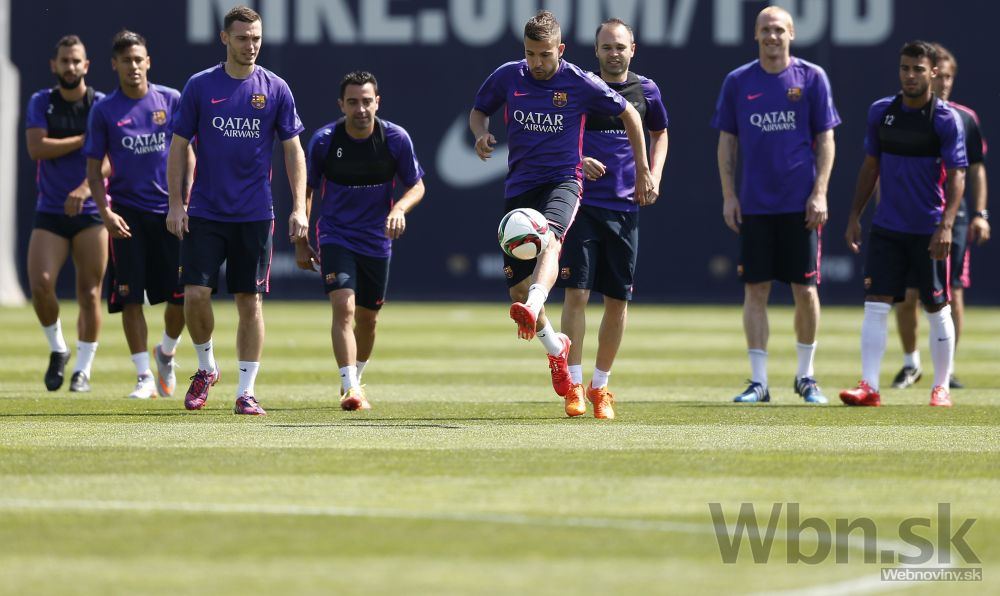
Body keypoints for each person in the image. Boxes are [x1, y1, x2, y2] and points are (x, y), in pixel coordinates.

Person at [469, 10, 655, 414]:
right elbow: (479, 109)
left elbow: (630, 113)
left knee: (550, 238)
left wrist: (644, 169)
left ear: (561, 50)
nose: (537, 63)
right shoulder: (509, 75)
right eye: (531, 54)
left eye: (545, 55)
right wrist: (481, 134)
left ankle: (536, 308)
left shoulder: (579, 81)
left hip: (564, 182)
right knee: (515, 288)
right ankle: (556, 347)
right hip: (520, 187)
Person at [166, 5, 308, 416]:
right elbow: (179, 146)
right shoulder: (200, 86)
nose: (251, 46)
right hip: (206, 211)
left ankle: (246, 391)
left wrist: (299, 206)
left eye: (257, 38)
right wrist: (177, 203)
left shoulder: (276, 88)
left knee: (250, 302)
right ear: (225, 38)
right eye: (243, 38)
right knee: (194, 295)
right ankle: (207, 367)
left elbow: (293, 148)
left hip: (254, 213)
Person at [710, 6, 840, 404]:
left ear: (792, 34)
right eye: (765, 29)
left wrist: (820, 192)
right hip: (756, 204)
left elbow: (827, 139)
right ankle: (759, 381)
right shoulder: (738, 81)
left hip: (800, 205)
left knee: (805, 288)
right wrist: (729, 195)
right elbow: (727, 142)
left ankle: (806, 377)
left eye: (779, 30)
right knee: (757, 289)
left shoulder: (812, 78)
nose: (772, 36)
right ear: (756, 35)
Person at [841, 40, 967, 408]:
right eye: (904, 68)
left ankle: (940, 387)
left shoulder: (945, 120)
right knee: (876, 302)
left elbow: (958, 176)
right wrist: (854, 216)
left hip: (928, 230)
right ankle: (869, 386)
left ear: (933, 73)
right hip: (887, 227)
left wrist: (945, 226)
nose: (910, 75)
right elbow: (870, 167)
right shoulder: (881, 112)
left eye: (917, 69)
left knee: (936, 305)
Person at [557, 19, 668, 420]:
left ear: (632, 49)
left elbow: (661, 132)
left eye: (620, 46)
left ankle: (600, 385)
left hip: (625, 209)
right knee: (577, 294)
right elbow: (559, 133)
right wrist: (576, 160)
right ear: (596, 50)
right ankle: (573, 385)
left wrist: (652, 173)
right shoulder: (582, 88)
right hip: (582, 204)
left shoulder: (647, 90)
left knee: (618, 301)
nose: (613, 53)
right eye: (606, 47)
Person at [295, 71, 425, 411]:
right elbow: (306, 190)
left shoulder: (395, 139)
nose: (361, 109)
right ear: (341, 104)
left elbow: (417, 185)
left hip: (377, 241)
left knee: (368, 319)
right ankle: (350, 387)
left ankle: (358, 379)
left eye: (367, 101)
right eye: (352, 102)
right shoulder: (325, 141)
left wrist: (399, 208)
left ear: (377, 102)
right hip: (336, 235)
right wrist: (301, 239)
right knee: (345, 307)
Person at [84, 30, 193, 399]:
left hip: (169, 212)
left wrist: (184, 201)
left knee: (181, 297)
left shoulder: (171, 100)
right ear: (114, 64)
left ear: (148, 61)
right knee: (130, 298)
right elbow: (93, 169)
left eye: (138, 59)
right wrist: (106, 213)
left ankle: (166, 351)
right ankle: (144, 375)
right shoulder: (104, 110)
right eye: (126, 60)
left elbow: (187, 153)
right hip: (127, 214)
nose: (133, 66)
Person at [890, 43, 990, 390]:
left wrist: (980, 213)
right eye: (939, 75)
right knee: (906, 294)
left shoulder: (964, 118)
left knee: (953, 292)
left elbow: (975, 169)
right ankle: (910, 363)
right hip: (912, 217)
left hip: (955, 218)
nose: (944, 82)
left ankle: (946, 370)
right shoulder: (904, 113)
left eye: (949, 76)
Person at [25, 35, 108, 393]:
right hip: (51, 209)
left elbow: (109, 160)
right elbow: (36, 148)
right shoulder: (41, 102)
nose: (70, 67)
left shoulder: (101, 105)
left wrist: (85, 187)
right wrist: (84, 139)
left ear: (86, 65)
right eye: (64, 61)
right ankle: (58, 348)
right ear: (53, 66)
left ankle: (83, 370)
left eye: (76, 61)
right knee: (41, 284)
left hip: (91, 209)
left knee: (90, 293)